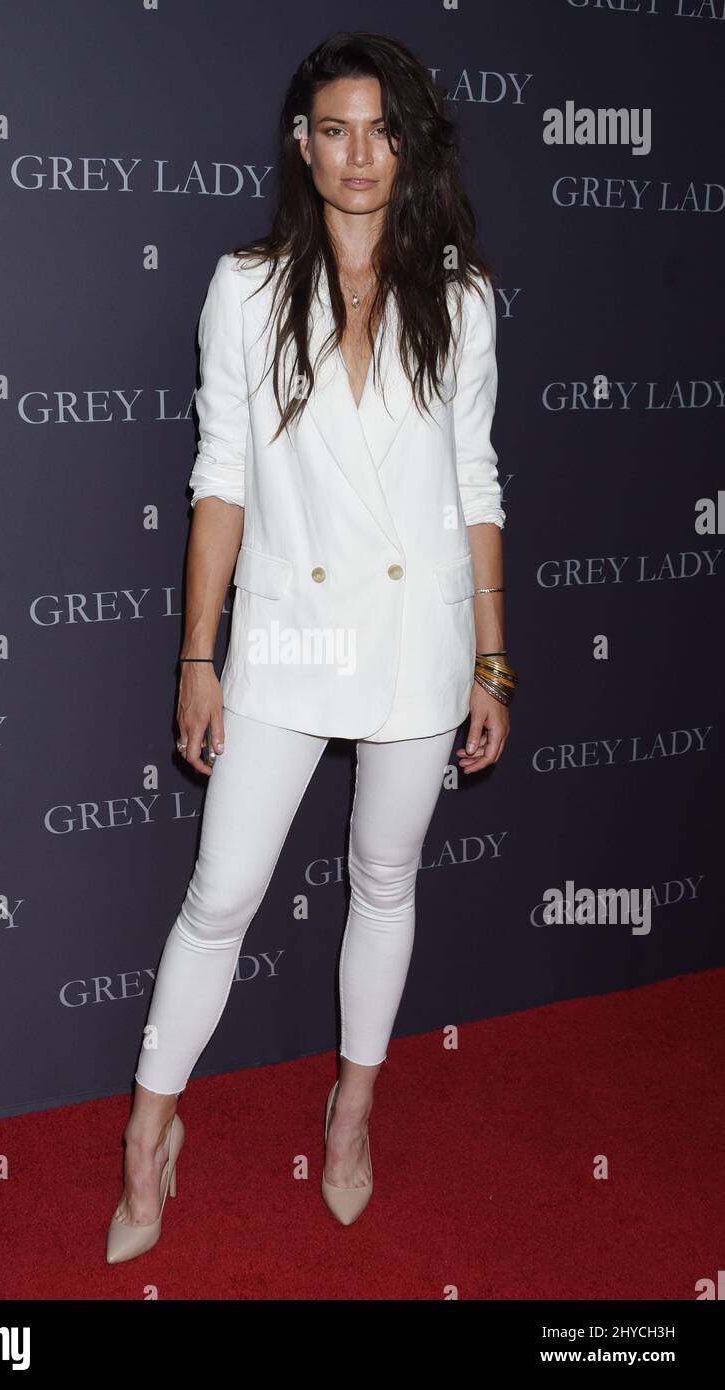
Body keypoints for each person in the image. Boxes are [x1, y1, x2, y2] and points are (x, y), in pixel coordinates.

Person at [106, 29, 517, 1264]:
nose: (359, 155)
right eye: (334, 129)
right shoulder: (243, 287)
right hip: (289, 634)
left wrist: (493, 657)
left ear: (414, 146)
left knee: (383, 879)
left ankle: (353, 1109)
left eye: (383, 130)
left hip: (415, 637)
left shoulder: (463, 295)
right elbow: (220, 480)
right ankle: (147, 1137)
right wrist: (198, 656)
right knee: (221, 893)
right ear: (302, 143)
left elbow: (475, 483)